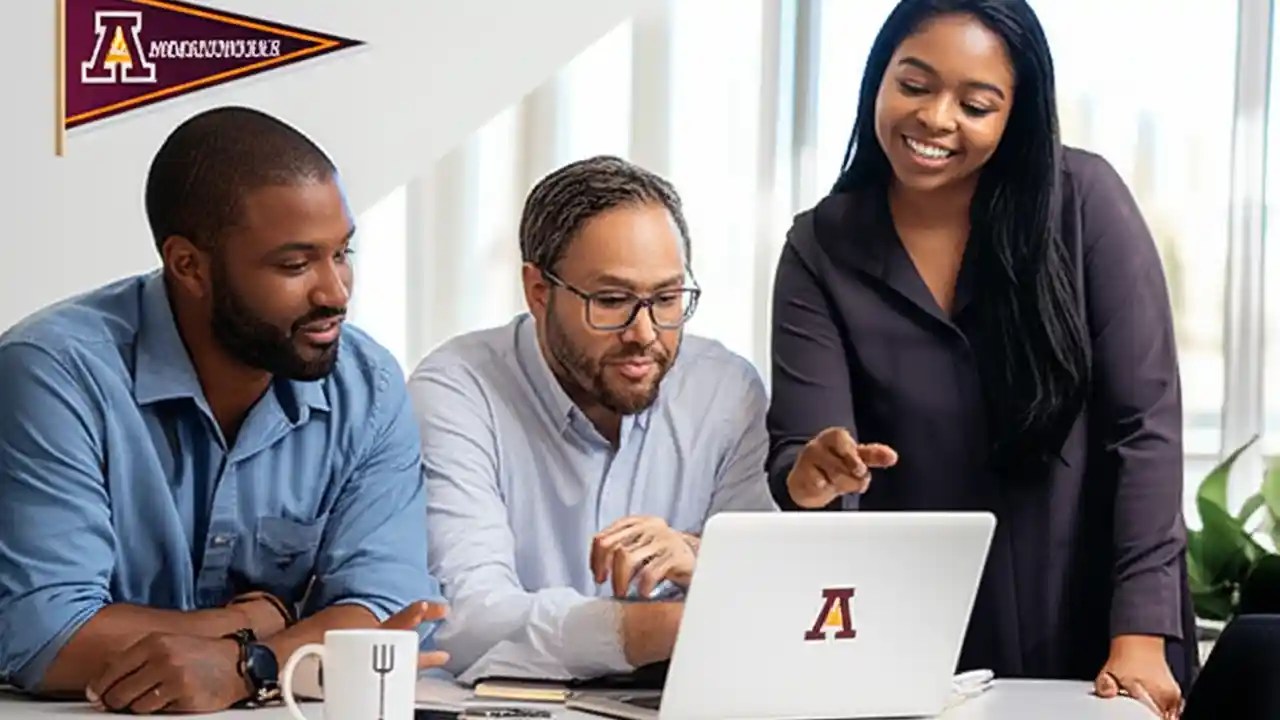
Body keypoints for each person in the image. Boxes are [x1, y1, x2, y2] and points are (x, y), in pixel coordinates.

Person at [765, 1, 1194, 718]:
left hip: (1102, 628)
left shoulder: (1084, 202)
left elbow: (1144, 428)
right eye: (914, 84)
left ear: (1015, 116)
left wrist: (1142, 631)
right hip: (919, 634)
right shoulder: (820, 248)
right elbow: (801, 463)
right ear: (878, 80)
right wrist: (813, 476)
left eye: (975, 103)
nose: (935, 118)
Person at [0, 107, 447, 713]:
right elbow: (46, 636)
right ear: (189, 266)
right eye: (295, 264)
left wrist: (247, 666)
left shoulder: (364, 385)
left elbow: (392, 617)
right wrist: (269, 623)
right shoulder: (53, 372)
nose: (335, 292)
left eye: (342, 253)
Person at [408, 155, 776, 684]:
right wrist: (681, 619)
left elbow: (772, 588)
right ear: (538, 291)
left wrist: (702, 558)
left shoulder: (724, 388)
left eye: (668, 299)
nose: (645, 333)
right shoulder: (458, 391)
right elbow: (465, 622)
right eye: (611, 301)